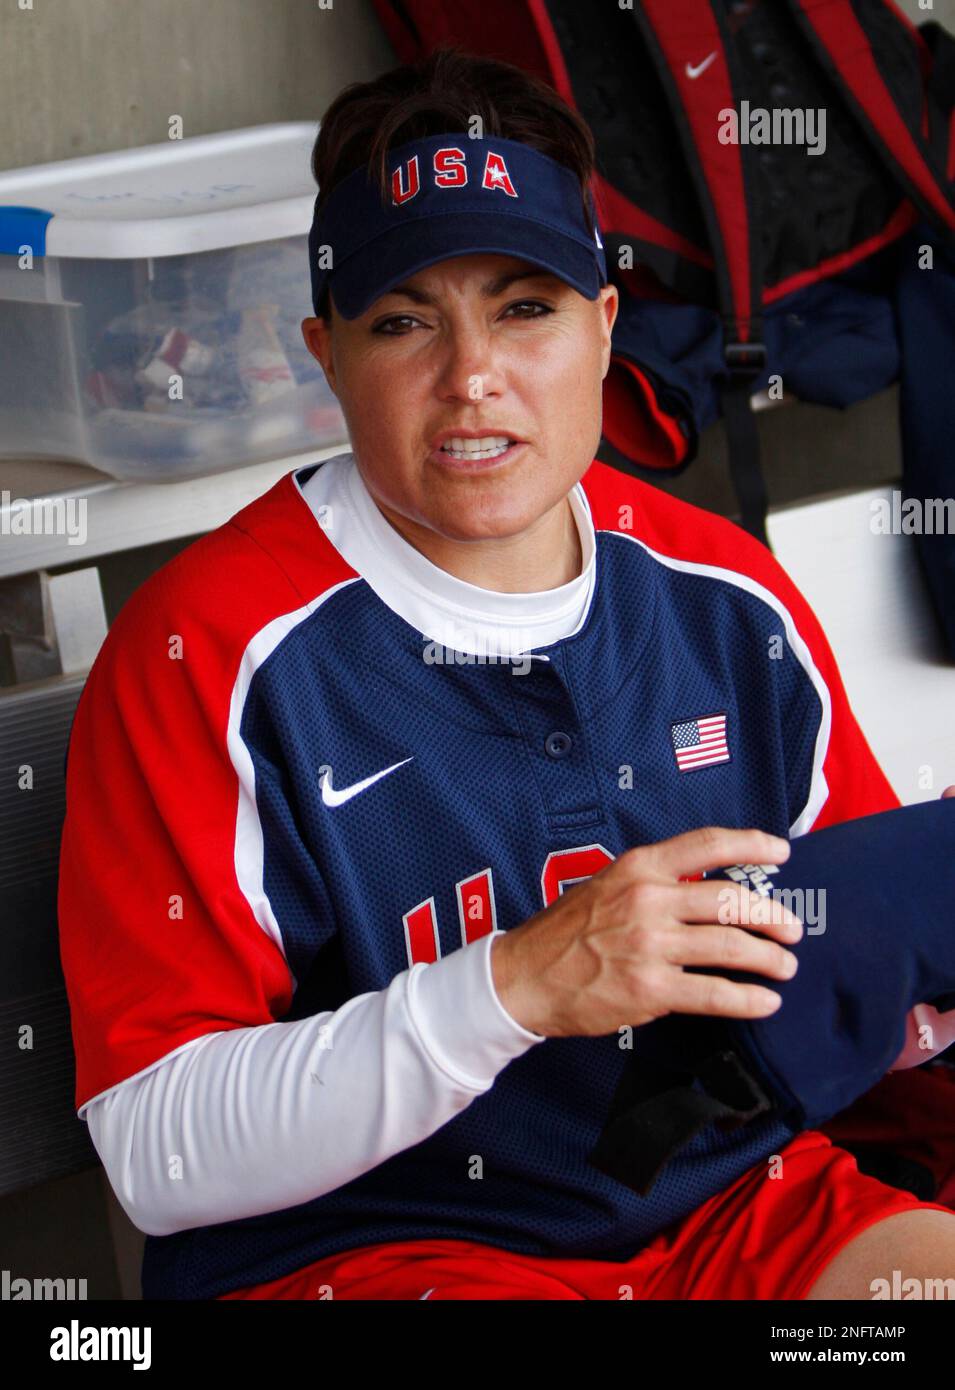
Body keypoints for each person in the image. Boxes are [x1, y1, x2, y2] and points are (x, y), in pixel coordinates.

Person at [58, 47, 955, 1301]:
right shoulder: (203, 652)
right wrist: (517, 982)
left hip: (733, 1206)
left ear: (601, 327)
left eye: (524, 305)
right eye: (404, 320)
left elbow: (861, 957)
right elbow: (156, 1152)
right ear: (327, 352)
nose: (470, 374)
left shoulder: (722, 589)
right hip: (377, 1251)